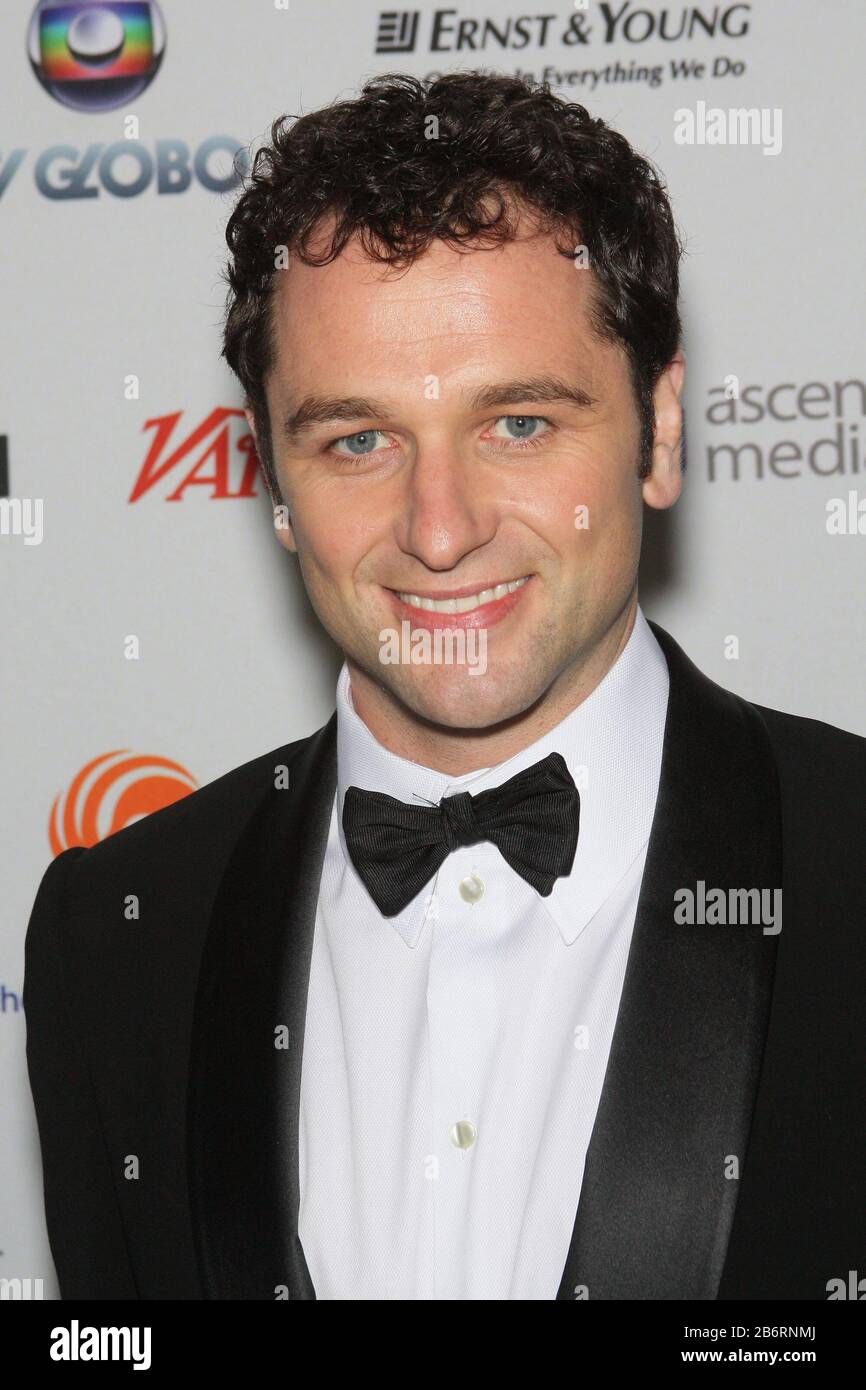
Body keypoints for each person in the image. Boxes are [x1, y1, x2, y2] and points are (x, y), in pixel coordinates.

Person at [24, 71, 865, 1301]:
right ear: (268, 475)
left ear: (660, 427)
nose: (438, 528)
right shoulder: (115, 932)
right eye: (356, 439)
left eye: (517, 423)